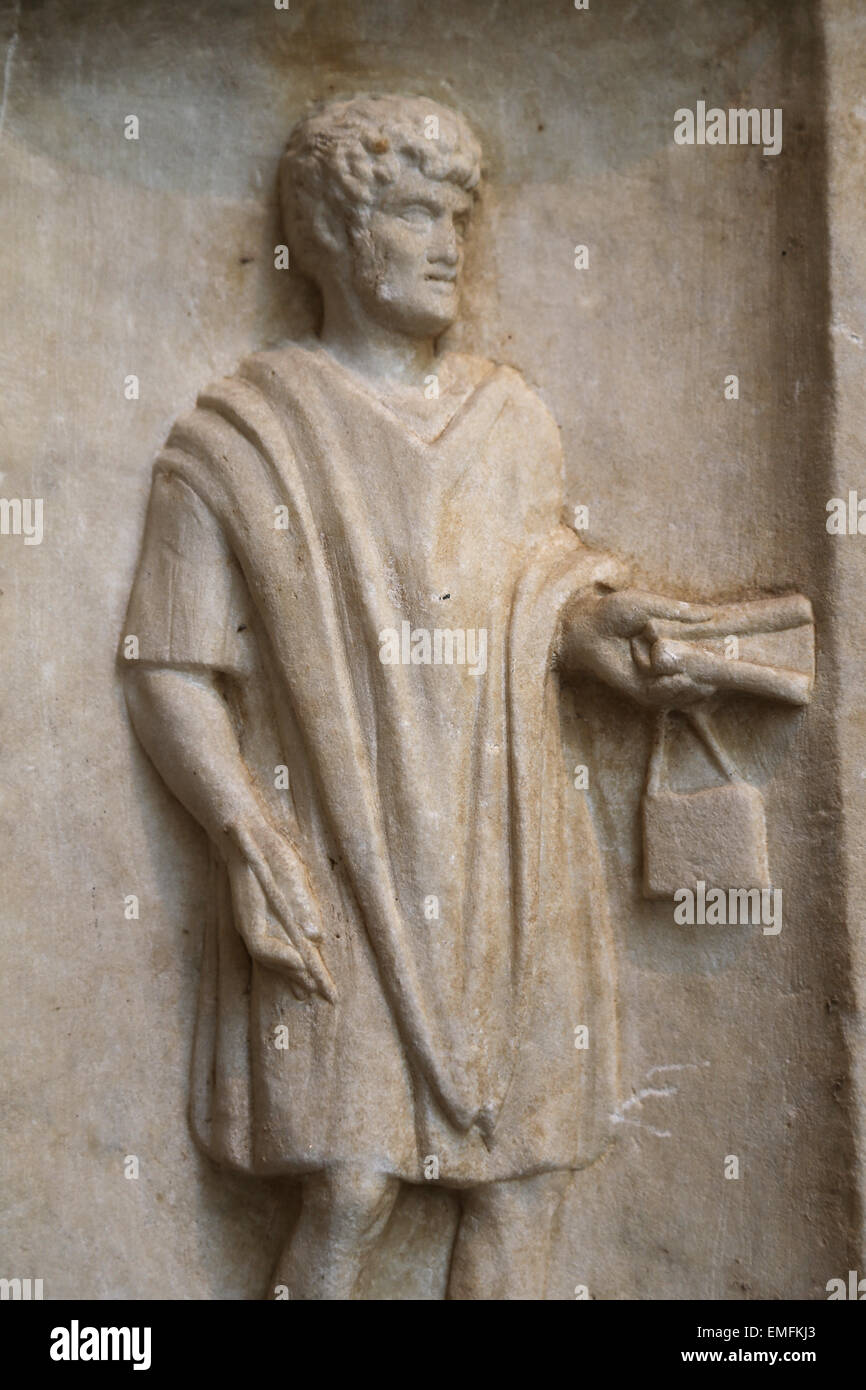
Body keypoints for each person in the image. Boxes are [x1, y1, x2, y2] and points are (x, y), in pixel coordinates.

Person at [122, 94, 716, 1299]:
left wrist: (606, 632)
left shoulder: (512, 422)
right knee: (347, 1181)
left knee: (519, 1179)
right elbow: (171, 666)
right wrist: (245, 840)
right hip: (330, 847)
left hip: (512, 847)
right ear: (333, 235)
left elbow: (538, 590)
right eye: (413, 212)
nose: (450, 243)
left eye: (461, 213)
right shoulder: (240, 439)